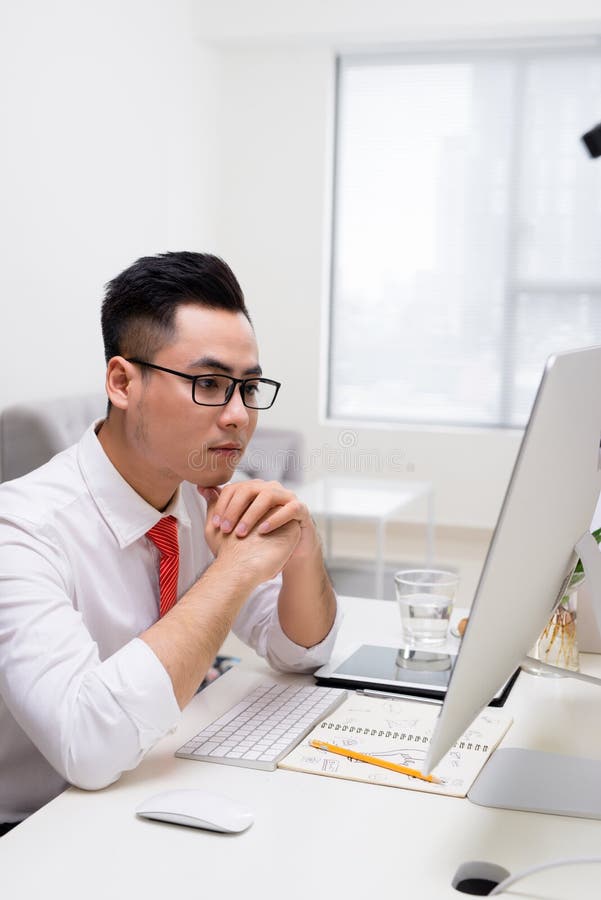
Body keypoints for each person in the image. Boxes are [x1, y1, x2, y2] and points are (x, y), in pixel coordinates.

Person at [0, 251, 339, 834]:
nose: (238, 416)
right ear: (122, 382)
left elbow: (301, 652)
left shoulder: (196, 494)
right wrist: (231, 573)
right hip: (38, 829)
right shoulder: (22, 529)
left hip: (154, 784)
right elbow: (88, 745)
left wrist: (302, 553)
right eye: (208, 384)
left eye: (249, 388)